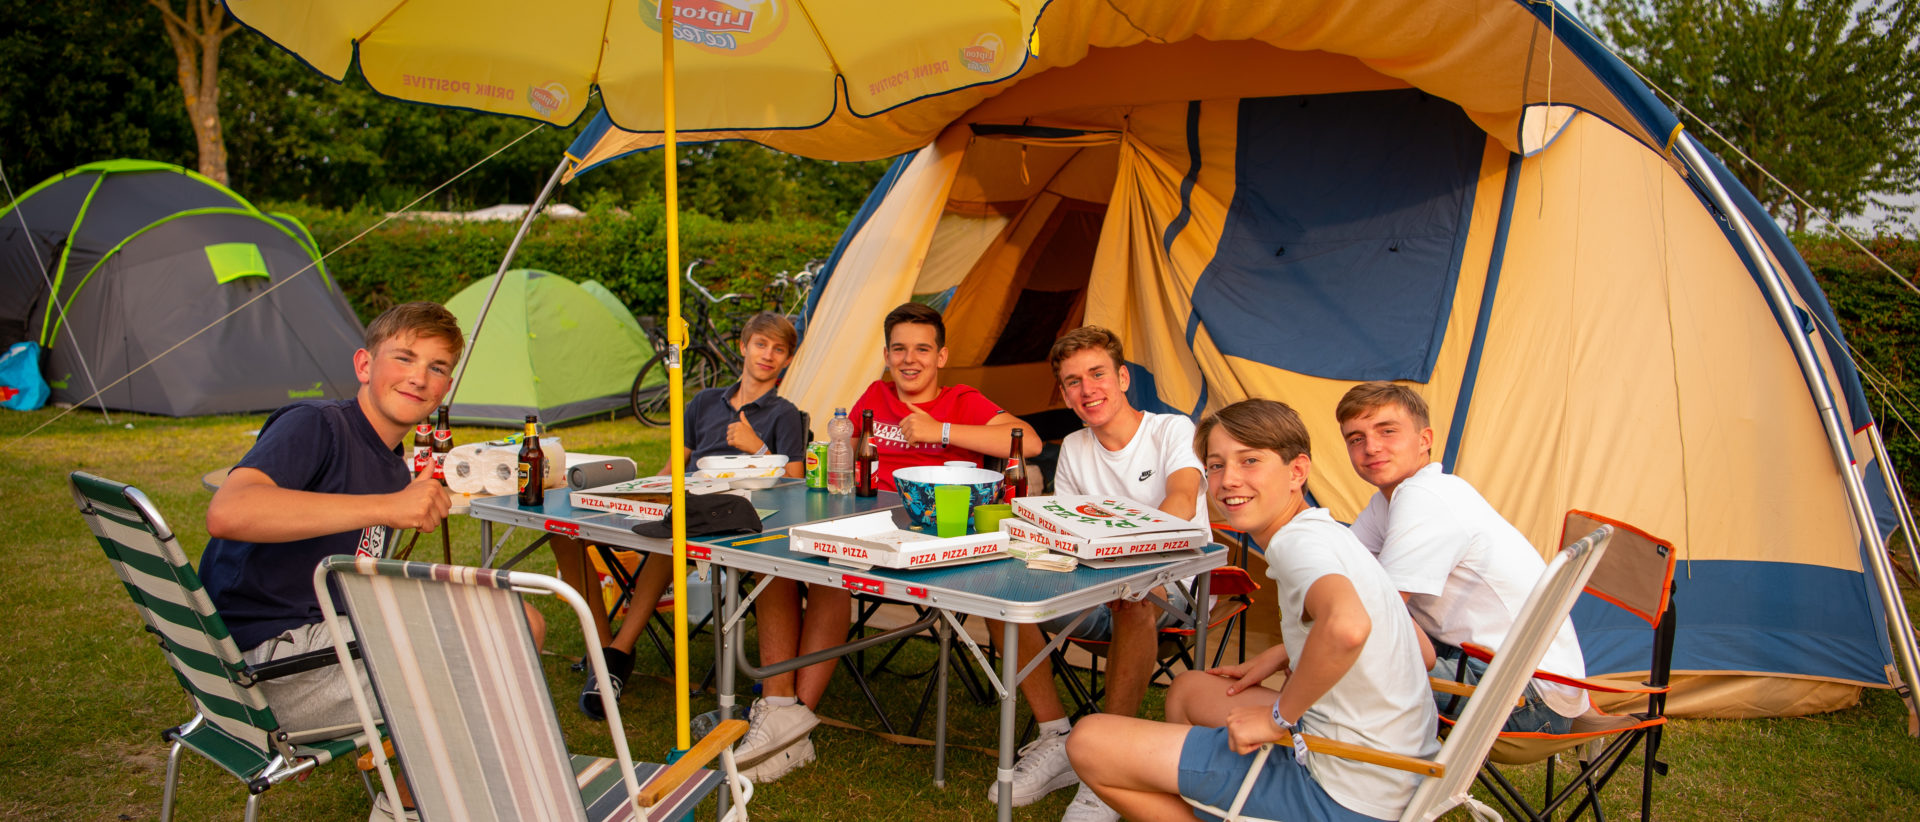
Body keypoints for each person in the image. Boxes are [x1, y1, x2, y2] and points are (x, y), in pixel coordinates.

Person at [202, 301, 545, 819]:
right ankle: (412, 806)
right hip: (269, 670)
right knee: (490, 654)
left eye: (437, 367)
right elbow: (230, 511)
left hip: (312, 640)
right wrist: (390, 506)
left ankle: (423, 793)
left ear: (446, 387)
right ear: (364, 365)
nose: (418, 377)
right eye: (403, 358)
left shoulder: (389, 464)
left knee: (522, 619)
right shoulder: (316, 425)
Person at [1066, 399, 1440, 822]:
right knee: (1189, 688)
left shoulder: (1298, 545)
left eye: (1250, 461)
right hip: (1399, 774)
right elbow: (1421, 650)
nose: (1229, 480)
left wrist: (1277, 718)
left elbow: (1349, 626)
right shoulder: (1328, 533)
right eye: (1217, 465)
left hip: (1340, 792)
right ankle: (1204, 793)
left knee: (1088, 740)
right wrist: (1283, 653)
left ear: (1297, 471)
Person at [554, 313, 825, 782]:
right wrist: (643, 493)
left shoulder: (784, 414)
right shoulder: (703, 403)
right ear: (742, 346)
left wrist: (758, 449)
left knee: (673, 536)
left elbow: (797, 481)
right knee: (571, 531)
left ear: (787, 360)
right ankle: (611, 652)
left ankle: (615, 657)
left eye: (778, 350)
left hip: (749, 516)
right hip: (687, 506)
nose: (767, 355)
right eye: (760, 344)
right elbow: (673, 465)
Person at [989, 327, 1208, 820]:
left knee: (1134, 598)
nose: (1087, 390)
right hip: (1091, 583)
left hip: (1171, 589)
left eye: (1097, 374)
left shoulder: (1172, 431)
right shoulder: (1073, 447)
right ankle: (1056, 739)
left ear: (1123, 377)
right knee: (1007, 594)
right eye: (1072, 382)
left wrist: (1122, 557)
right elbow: (1067, 529)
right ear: (1064, 395)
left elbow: (1181, 497)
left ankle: (1108, 759)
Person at [1337, 381, 1587, 733]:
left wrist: (1291, 655)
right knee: (1346, 645)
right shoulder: (1389, 501)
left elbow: (1377, 612)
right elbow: (1335, 572)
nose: (1371, 447)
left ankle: (1349, 782)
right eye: (1356, 438)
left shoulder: (1426, 497)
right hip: (1482, 660)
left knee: (1345, 672)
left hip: (1525, 693)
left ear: (1424, 439)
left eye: (1387, 431)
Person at [849, 302, 1041, 491]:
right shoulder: (875, 394)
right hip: (871, 511)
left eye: (922, 349)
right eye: (899, 349)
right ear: (887, 356)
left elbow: (1031, 443)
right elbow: (842, 460)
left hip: (940, 516)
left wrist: (941, 431)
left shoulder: (962, 400)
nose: (909, 359)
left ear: (941, 357)